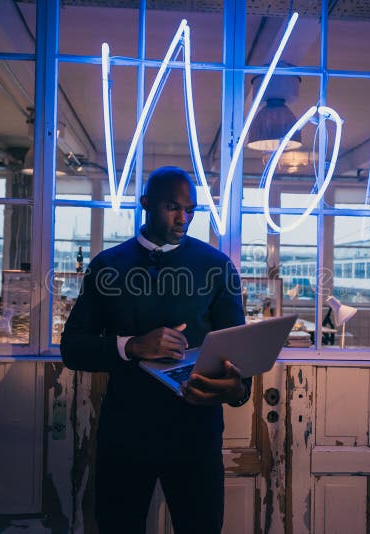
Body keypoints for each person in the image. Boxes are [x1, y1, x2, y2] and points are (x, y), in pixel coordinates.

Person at [60, 166, 251, 534]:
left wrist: (239, 390)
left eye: (190, 209)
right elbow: (73, 348)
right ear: (146, 204)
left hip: (196, 435)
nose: (184, 218)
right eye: (172, 207)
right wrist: (131, 346)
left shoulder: (217, 266)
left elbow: (238, 350)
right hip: (127, 435)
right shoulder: (108, 266)